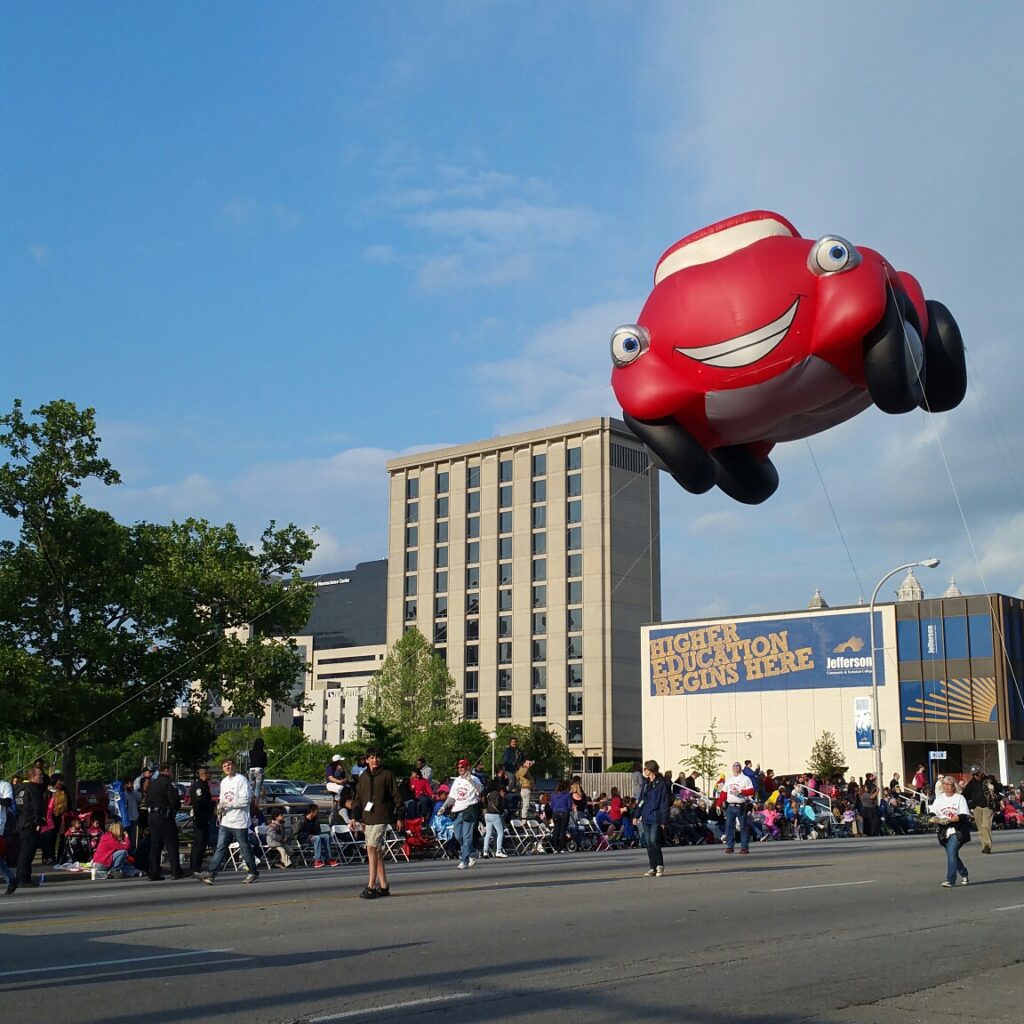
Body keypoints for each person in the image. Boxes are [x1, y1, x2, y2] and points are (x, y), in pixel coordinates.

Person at [197, 758, 259, 885]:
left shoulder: (242, 780)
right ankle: (211, 873)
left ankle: (253, 871)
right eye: (225, 766)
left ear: (234, 766)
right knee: (220, 847)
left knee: (244, 846)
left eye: (229, 765)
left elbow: (245, 801)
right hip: (226, 821)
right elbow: (222, 799)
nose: (227, 767)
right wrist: (220, 808)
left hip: (239, 821)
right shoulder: (224, 782)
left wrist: (228, 804)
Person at [352, 747, 403, 898]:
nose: (375, 760)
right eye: (372, 757)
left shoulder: (387, 775)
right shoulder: (363, 777)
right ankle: (384, 886)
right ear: (366, 760)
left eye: (377, 757)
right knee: (377, 852)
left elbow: (396, 796)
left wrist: (400, 815)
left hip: (382, 816)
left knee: (371, 848)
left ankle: (371, 886)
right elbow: (359, 798)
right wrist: (356, 815)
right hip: (368, 818)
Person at [929, 775, 971, 887]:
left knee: (951, 853)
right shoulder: (940, 799)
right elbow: (933, 812)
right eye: (945, 784)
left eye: (949, 784)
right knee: (953, 855)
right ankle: (964, 873)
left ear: (954, 786)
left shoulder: (959, 798)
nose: (947, 787)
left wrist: (952, 819)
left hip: (957, 831)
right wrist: (935, 818)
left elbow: (963, 815)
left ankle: (950, 879)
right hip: (944, 832)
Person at [145, 763, 184, 880]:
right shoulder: (168, 783)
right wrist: (175, 809)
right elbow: (174, 800)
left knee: (155, 845)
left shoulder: (153, 783)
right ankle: (175, 872)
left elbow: (147, 800)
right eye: (171, 771)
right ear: (166, 770)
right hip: (164, 817)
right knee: (171, 844)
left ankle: (153, 872)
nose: (172, 773)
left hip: (152, 816)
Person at [444, 758, 483, 869]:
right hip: (458, 809)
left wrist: (470, 780)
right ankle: (472, 851)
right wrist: (444, 806)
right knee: (458, 835)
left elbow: (480, 790)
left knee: (466, 837)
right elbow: (452, 796)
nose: (460, 769)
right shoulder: (457, 780)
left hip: (469, 809)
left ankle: (464, 860)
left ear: (468, 768)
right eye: (459, 767)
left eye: (462, 767)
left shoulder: (474, 778)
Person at [634, 759, 670, 876]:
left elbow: (664, 802)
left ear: (651, 769)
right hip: (645, 815)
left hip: (656, 816)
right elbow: (641, 800)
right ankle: (652, 867)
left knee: (654, 840)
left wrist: (664, 819)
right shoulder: (646, 783)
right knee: (648, 842)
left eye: (645, 768)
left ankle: (660, 865)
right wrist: (636, 815)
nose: (644, 771)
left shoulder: (661, 783)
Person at [16, 766, 47, 888]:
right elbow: (37, 807)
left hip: (22, 822)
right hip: (31, 824)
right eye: (40, 775)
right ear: (33, 776)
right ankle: (23, 879)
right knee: (28, 853)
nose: (42, 776)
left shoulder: (20, 788)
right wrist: (39, 822)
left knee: (23, 852)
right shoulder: (34, 789)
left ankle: (22, 877)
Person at [718, 761, 755, 854]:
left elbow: (751, 791)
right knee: (729, 826)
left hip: (741, 806)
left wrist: (742, 792)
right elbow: (723, 793)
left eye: (737, 766)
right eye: (734, 766)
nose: (735, 767)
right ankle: (730, 846)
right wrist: (718, 804)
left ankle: (744, 847)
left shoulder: (745, 779)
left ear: (740, 768)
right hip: (730, 806)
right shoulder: (729, 780)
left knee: (743, 826)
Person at [962, 765, 999, 855]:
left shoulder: (989, 779)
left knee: (986, 826)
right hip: (977, 808)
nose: (975, 776)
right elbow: (965, 794)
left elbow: (999, 789)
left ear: (980, 772)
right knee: (980, 827)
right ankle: (984, 846)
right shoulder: (972, 783)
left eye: (976, 774)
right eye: (973, 774)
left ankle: (987, 846)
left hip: (988, 807)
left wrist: (993, 787)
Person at [188, 767, 215, 874]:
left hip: (204, 817)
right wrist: (211, 804)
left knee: (202, 843)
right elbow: (200, 801)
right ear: (204, 774)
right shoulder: (198, 786)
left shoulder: (204, 785)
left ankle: (197, 865)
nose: (211, 775)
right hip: (200, 817)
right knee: (199, 843)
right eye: (209, 773)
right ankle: (194, 867)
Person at [482, 782, 508, 858]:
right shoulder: (497, 794)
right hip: (495, 815)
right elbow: (497, 804)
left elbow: (485, 802)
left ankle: (485, 851)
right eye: (503, 791)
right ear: (501, 790)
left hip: (487, 814)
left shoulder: (489, 794)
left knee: (488, 834)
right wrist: (502, 799)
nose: (504, 793)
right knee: (500, 833)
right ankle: (498, 851)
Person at [550, 781, 572, 853]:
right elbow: (569, 805)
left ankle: (555, 847)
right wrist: (568, 810)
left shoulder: (553, 794)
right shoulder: (567, 795)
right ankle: (563, 847)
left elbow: (552, 805)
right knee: (563, 830)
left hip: (556, 812)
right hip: (564, 812)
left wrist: (555, 809)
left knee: (556, 830)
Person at [248, 738, 268, 803]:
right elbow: (265, 764)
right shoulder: (263, 753)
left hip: (251, 770)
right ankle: (256, 801)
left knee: (251, 787)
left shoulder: (250, 752)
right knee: (258, 787)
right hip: (259, 770)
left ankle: (251, 800)